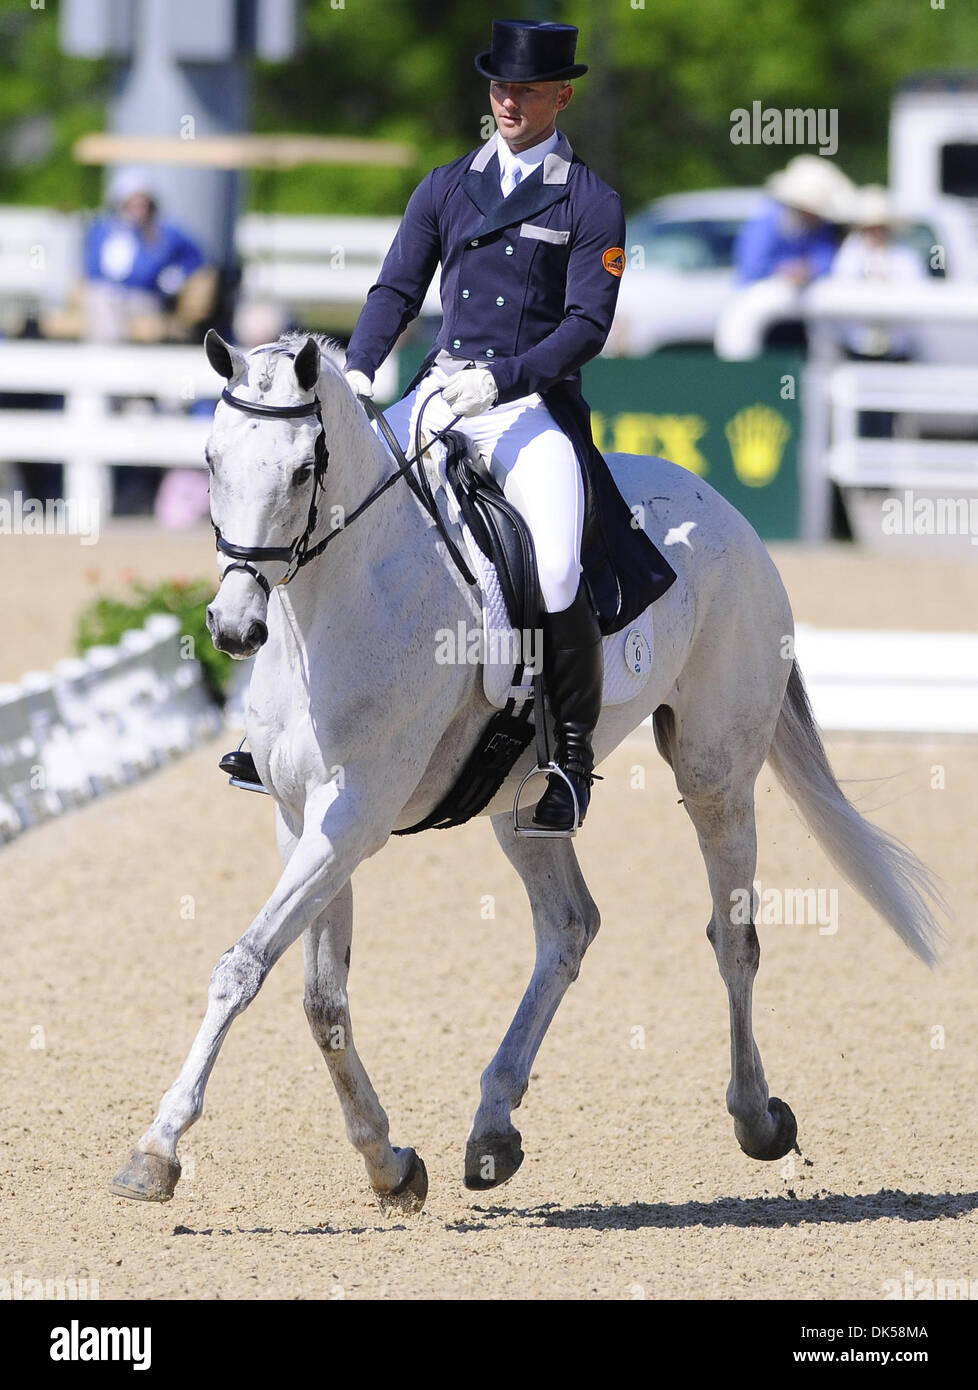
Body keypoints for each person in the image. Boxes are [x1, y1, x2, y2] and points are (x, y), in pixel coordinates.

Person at [340, 18, 675, 831]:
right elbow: (395, 289)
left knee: (558, 566)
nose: (510, 101)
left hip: (527, 406)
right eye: (500, 88)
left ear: (561, 95)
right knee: (336, 505)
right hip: (440, 391)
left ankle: (568, 761)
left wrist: (503, 379)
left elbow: (584, 329)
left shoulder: (591, 201)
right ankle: (287, 715)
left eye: (526, 90)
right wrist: (359, 368)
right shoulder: (446, 185)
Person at [82, 169, 206, 342]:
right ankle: (108, 355)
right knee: (102, 298)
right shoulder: (104, 230)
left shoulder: (165, 231)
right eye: (133, 202)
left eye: (143, 203)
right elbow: (92, 268)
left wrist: (178, 274)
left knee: (106, 303)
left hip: (144, 297)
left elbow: (197, 257)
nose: (139, 208)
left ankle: (111, 354)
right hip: (110, 294)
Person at [734, 154, 852, 288]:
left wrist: (810, 269)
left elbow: (827, 260)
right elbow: (752, 268)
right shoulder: (766, 222)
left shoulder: (819, 228)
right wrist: (782, 271)